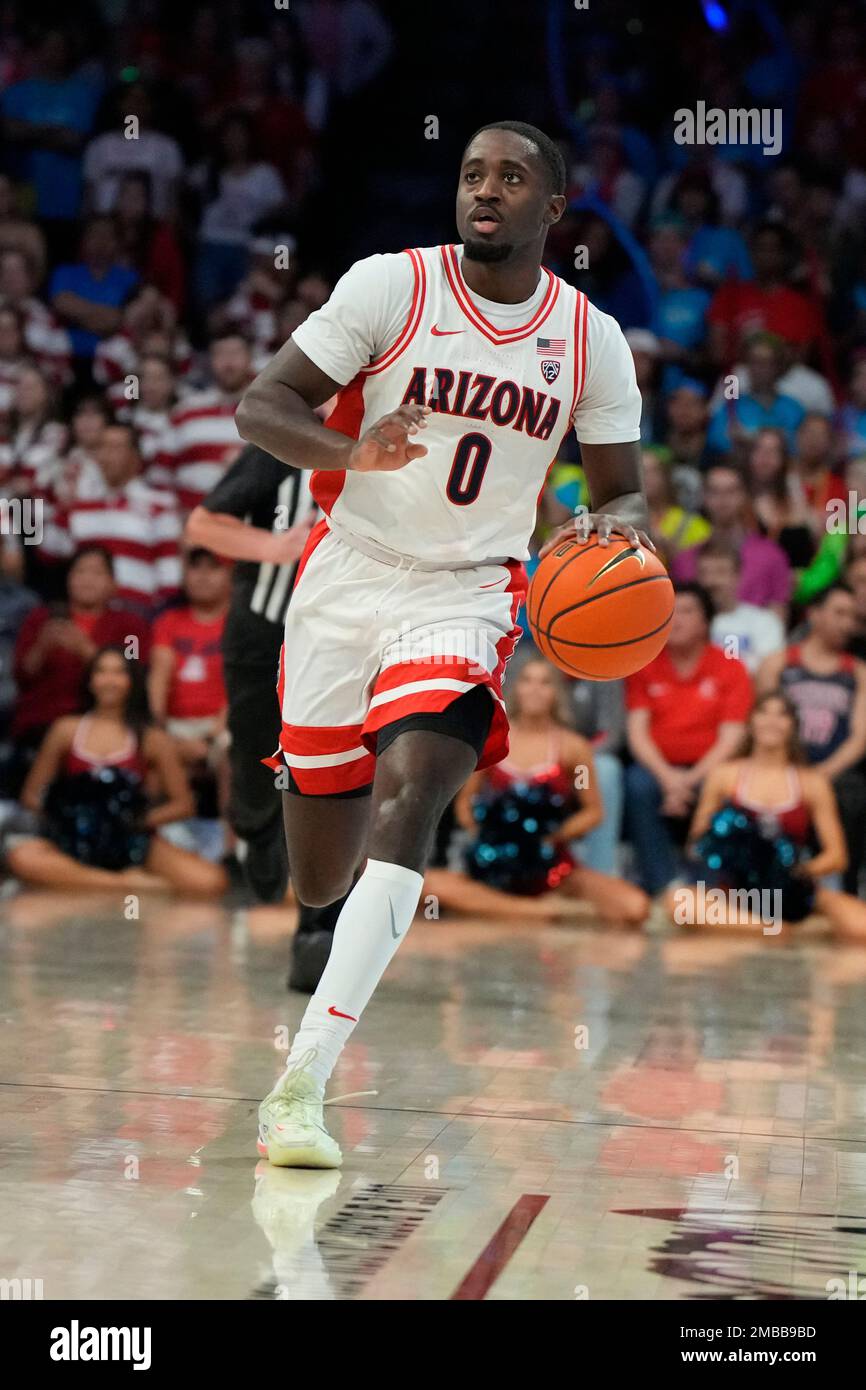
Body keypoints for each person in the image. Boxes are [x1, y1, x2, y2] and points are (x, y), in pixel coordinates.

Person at [236, 120, 650, 1168]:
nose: (486, 191)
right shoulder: (389, 286)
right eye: (472, 174)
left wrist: (620, 529)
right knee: (317, 879)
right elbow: (260, 405)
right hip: (346, 575)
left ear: (552, 209)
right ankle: (318, 891)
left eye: (512, 178)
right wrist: (347, 447)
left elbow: (623, 490)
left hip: (468, 592)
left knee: (413, 790)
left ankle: (300, 1087)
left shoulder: (589, 339)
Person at [185, 445, 327, 973]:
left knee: (328, 772)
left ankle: (318, 929)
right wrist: (275, 546)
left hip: (337, 641)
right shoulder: (278, 450)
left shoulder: (386, 452)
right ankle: (256, 832)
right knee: (255, 766)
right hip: (261, 636)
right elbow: (201, 525)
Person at [425, 658, 648, 925]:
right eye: (527, 680)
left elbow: (592, 811)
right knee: (428, 889)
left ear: (556, 693)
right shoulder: (493, 737)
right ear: (516, 688)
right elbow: (465, 802)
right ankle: (543, 912)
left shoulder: (573, 748)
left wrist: (554, 836)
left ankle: (504, 908)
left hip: (552, 867)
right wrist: (485, 836)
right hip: (493, 865)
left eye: (544, 683)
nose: (534, 689)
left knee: (635, 907)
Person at [6, 646, 227, 897]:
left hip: (130, 839)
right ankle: (126, 884)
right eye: (101, 672)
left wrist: (131, 822)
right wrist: (71, 816)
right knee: (21, 858)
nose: (109, 680)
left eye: (119, 673)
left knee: (210, 881)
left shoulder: (152, 737)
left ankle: (83, 880)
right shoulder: (65, 729)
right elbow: (32, 795)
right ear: (90, 681)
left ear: (132, 681)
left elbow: (184, 804)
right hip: (73, 838)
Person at [667, 692, 866, 941]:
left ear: (793, 725)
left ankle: (774, 921)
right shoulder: (724, 775)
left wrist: (795, 870)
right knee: (678, 902)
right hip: (737, 887)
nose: (771, 721)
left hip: (793, 888)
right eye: (764, 712)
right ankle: (771, 928)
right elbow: (695, 843)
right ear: (751, 722)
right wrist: (731, 844)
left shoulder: (812, 781)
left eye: (781, 714)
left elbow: (837, 856)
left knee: (861, 926)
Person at [624, 582, 753, 896]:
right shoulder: (644, 663)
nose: (676, 620)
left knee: (724, 786)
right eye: (669, 611)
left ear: (706, 621)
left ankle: (708, 892)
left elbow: (732, 738)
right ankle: (663, 889)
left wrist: (689, 780)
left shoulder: (730, 667)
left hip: (710, 768)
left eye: (686, 611)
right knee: (637, 784)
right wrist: (669, 779)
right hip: (658, 769)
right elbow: (637, 732)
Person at [757, 583, 866, 895]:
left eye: (852, 617)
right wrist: (788, 774)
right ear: (814, 615)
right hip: (780, 766)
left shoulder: (857, 672)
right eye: (839, 613)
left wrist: (817, 778)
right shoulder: (778, 663)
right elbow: (760, 723)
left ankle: (843, 893)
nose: (847, 623)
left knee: (852, 791)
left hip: (831, 773)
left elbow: (859, 739)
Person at [10, 544, 150, 787]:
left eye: (97, 573)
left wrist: (87, 651)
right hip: (43, 723)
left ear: (113, 584)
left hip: (110, 723)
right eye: (80, 572)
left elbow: (134, 674)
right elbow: (22, 676)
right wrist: (42, 646)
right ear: (68, 580)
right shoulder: (40, 619)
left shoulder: (131, 627)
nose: (87, 580)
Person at [672, 462, 792, 620]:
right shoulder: (684, 560)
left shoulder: (772, 555)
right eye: (715, 492)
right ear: (704, 497)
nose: (723, 499)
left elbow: (778, 617)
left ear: (743, 496)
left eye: (731, 491)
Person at [696, 540, 785, 675]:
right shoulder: (685, 624)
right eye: (704, 573)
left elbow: (770, 674)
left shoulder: (765, 622)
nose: (711, 581)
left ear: (738, 576)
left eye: (720, 572)